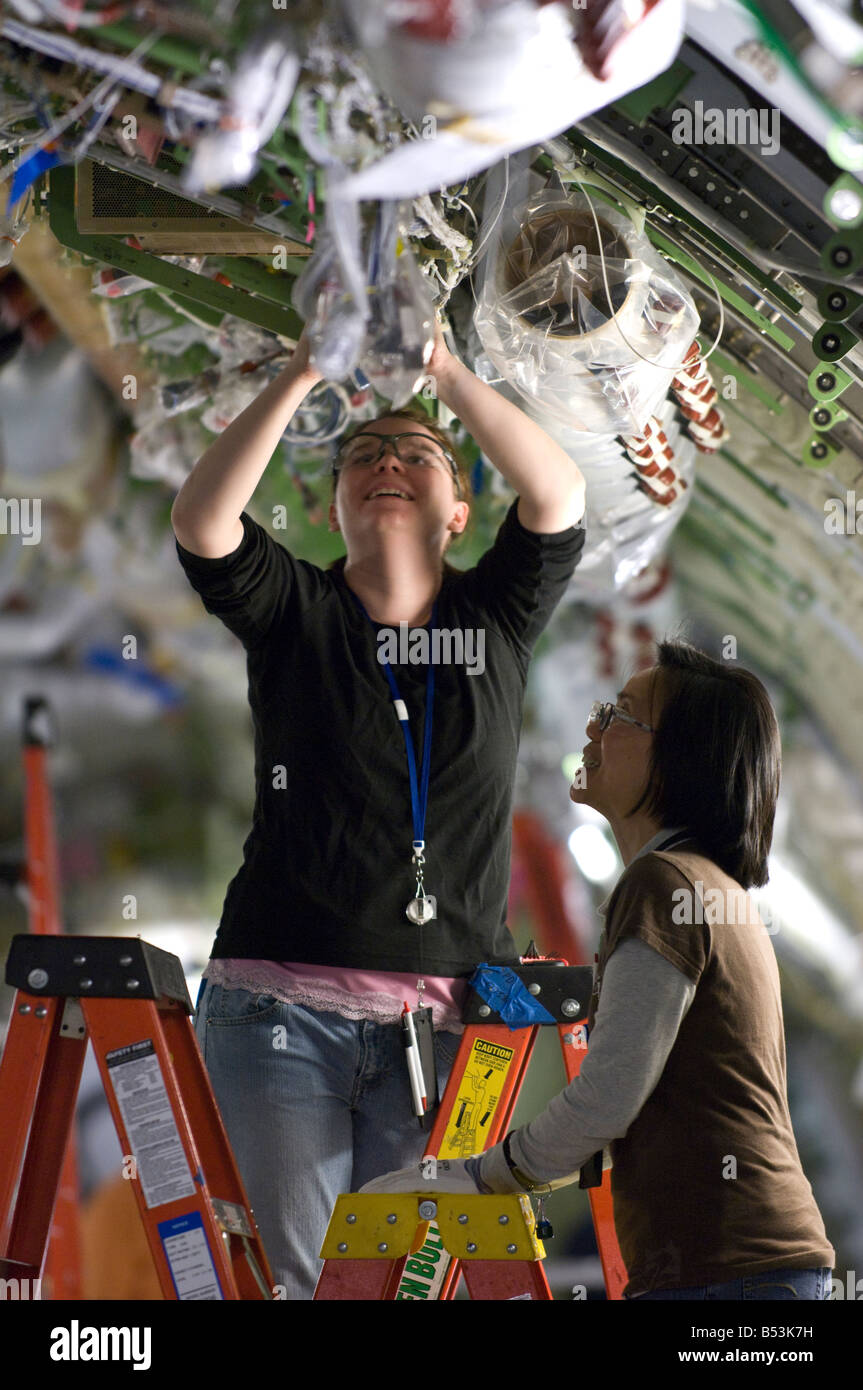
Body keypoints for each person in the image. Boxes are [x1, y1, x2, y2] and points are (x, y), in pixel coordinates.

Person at [170, 319, 586, 1298]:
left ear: (456, 509)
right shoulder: (294, 613)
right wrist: (303, 363)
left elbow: (556, 494)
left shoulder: (495, 620)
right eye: (360, 456)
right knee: (292, 1283)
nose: (386, 462)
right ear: (333, 507)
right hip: (277, 1005)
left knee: (405, 1287)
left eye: (417, 455)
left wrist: (441, 365)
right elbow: (202, 523)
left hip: (440, 1024)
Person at [364, 641, 836, 1301]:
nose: (592, 727)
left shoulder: (662, 884)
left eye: (619, 716)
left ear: (676, 759)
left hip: (725, 1274)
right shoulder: (713, 889)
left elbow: (610, 1093)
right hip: (749, 1267)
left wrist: (475, 1177)